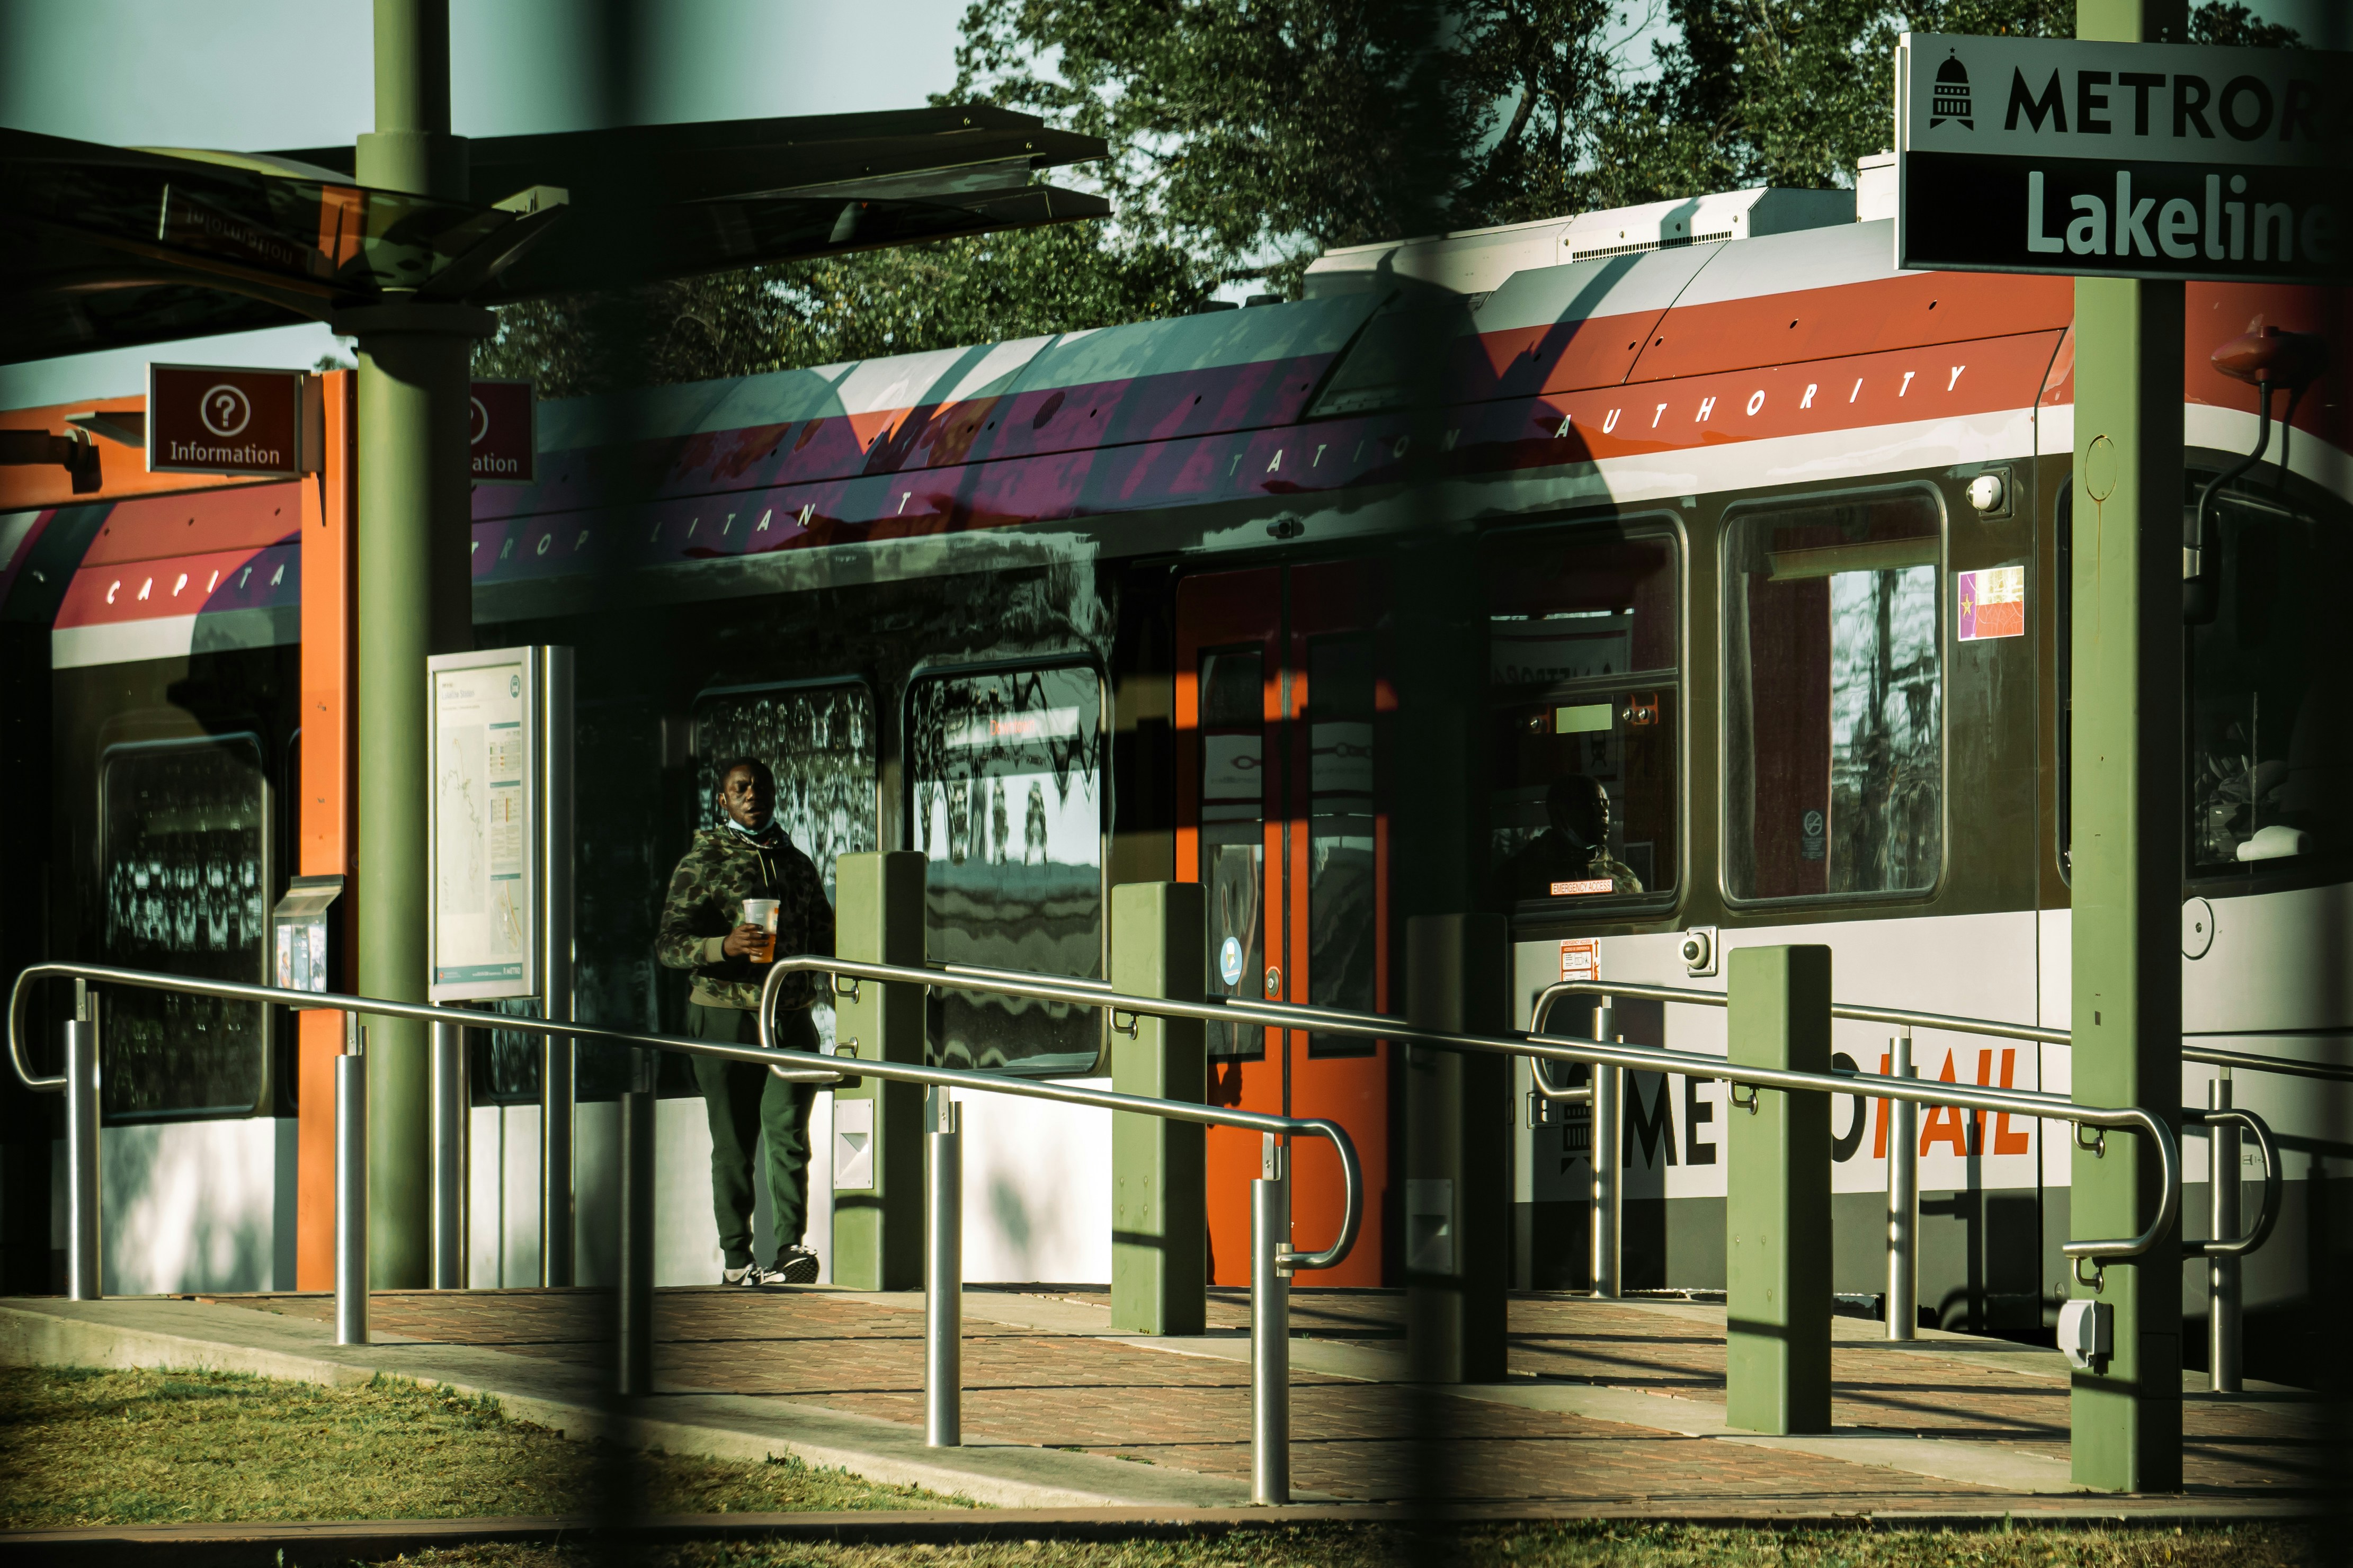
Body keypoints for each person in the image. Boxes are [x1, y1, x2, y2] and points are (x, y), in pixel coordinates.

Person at [656, 757, 834, 1286]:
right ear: (723, 800)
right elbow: (669, 944)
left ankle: (790, 1250)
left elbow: (825, 935)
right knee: (734, 1143)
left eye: (761, 786)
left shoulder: (797, 863)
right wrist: (723, 945)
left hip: (790, 1018)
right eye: (741, 787)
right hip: (723, 1015)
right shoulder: (703, 858)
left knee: (788, 1133)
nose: (753, 794)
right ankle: (737, 1261)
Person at [1496, 774, 1643, 904]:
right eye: (1592, 804)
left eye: (1606, 805)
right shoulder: (1517, 878)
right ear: (1560, 814)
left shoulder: (1624, 877)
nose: (1604, 812)